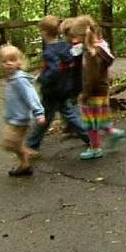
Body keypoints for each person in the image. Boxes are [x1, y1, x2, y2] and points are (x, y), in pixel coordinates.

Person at [25, 15, 89, 153]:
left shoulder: (49, 51)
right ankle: (88, 136)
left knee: (45, 118)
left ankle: (31, 145)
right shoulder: (65, 46)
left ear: (44, 32)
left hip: (52, 91)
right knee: (69, 114)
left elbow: (54, 70)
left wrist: (42, 78)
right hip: (65, 88)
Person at [68, 16, 125, 160]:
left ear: (83, 36)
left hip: (92, 93)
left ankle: (95, 149)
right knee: (101, 119)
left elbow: (90, 77)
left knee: (90, 123)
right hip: (102, 90)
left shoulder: (91, 54)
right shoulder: (101, 48)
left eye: (75, 36)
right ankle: (113, 132)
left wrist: (84, 94)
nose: (74, 40)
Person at [0, 44, 45, 177]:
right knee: (13, 143)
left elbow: (31, 96)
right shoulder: (11, 78)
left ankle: (26, 153)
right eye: (5, 61)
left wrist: (39, 112)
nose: (8, 64)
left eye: (12, 60)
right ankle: (24, 165)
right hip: (13, 117)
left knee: (9, 143)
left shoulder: (19, 79)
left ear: (19, 62)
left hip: (21, 118)